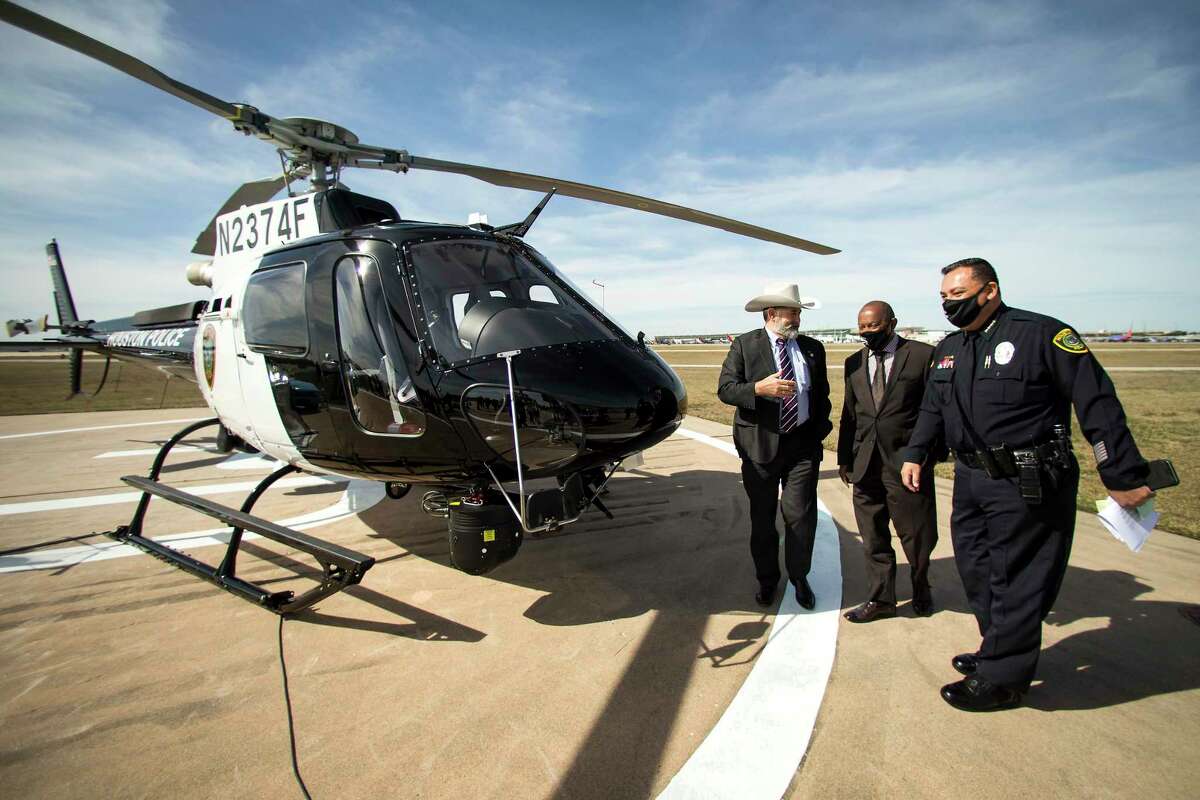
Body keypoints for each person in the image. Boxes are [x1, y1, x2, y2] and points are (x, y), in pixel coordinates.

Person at [900, 257, 1153, 712]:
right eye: (943, 297)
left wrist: (1122, 474)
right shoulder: (951, 347)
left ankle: (1004, 678)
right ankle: (997, 648)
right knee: (976, 568)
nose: (948, 305)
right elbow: (933, 409)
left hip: (1028, 477)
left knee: (1016, 576)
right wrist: (916, 452)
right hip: (972, 477)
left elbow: (1096, 401)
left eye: (957, 295)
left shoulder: (1042, 335)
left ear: (989, 290)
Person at [718, 284, 832, 609]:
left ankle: (800, 578)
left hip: (802, 447)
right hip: (760, 450)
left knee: (800, 516)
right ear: (771, 314)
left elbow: (821, 396)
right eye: (792, 312)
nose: (797, 318)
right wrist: (758, 388)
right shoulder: (745, 345)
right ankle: (767, 580)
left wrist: (818, 432)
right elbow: (726, 389)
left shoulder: (812, 348)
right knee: (763, 519)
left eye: (798, 312)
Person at [838, 301, 939, 622]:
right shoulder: (853, 362)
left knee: (917, 534)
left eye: (873, 326)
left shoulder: (922, 356)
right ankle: (881, 599)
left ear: (891, 323)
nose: (867, 332)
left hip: (906, 464)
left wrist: (925, 457)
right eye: (862, 327)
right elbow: (850, 414)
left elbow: (935, 411)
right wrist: (844, 458)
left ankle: (920, 584)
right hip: (864, 463)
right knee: (873, 537)